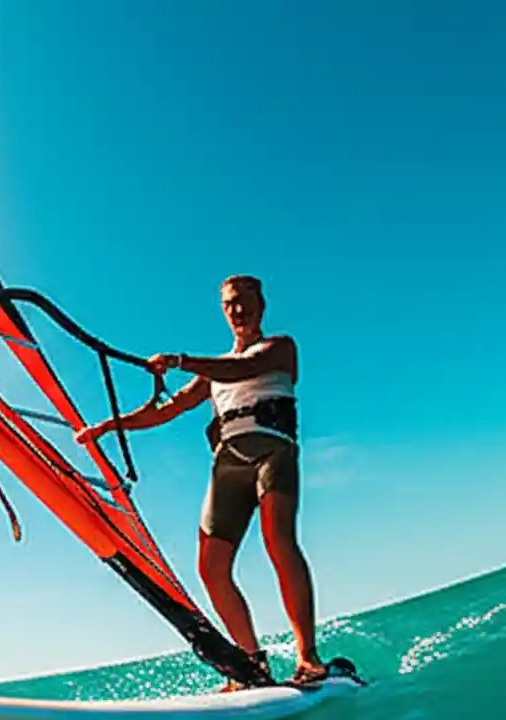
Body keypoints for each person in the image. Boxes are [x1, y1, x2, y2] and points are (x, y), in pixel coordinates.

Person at [74, 275, 327, 690]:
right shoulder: (212, 374)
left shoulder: (280, 347)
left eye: (245, 301)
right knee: (211, 567)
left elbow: (244, 368)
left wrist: (178, 360)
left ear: (261, 305)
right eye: (229, 303)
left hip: (273, 455)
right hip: (229, 464)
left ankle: (308, 658)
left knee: (278, 541)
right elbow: (165, 411)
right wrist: (106, 426)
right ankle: (251, 665)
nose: (237, 310)